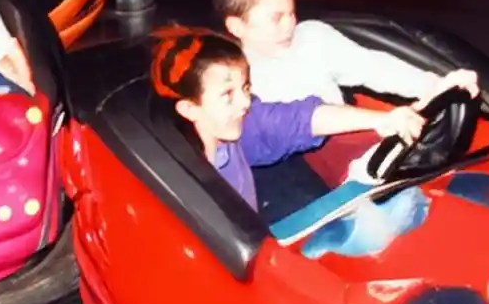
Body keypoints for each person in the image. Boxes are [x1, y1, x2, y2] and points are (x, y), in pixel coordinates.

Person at [212, 0, 479, 185]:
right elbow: (282, 126)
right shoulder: (236, 79)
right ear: (237, 27)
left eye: (292, 12)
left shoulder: (313, 37)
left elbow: (374, 67)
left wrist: (435, 85)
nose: (289, 24)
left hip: (357, 132)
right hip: (302, 158)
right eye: (276, 18)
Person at [150, 29, 428, 245]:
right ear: (189, 108)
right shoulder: (175, 178)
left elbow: (300, 119)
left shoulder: (239, 125)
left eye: (245, 87)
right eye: (228, 94)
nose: (245, 102)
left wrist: (383, 120)